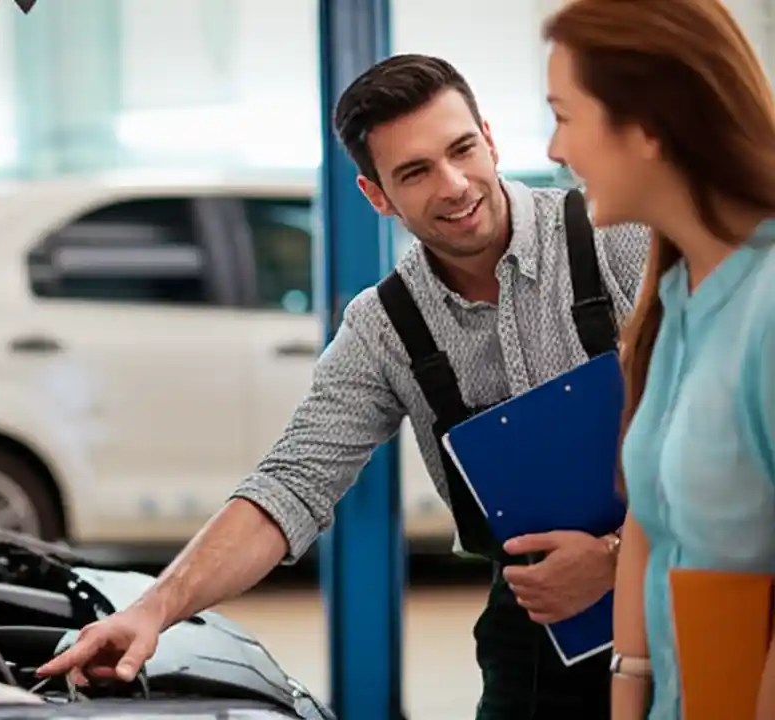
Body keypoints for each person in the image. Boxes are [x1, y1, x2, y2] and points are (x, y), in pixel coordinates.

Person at [36, 53, 651, 718]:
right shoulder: (385, 328)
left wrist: (618, 559)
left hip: (678, 581)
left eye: (462, 149)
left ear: (491, 139)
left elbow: (736, 432)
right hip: (537, 626)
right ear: (376, 194)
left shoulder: (619, 240)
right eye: (415, 172)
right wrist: (153, 610)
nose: (453, 185)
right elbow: (291, 485)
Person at [541, 1, 775, 718]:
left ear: (645, 127)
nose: (554, 149)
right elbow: (649, 519)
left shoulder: (765, 304)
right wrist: (628, 692)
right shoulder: (674, 295)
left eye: (564, 114)